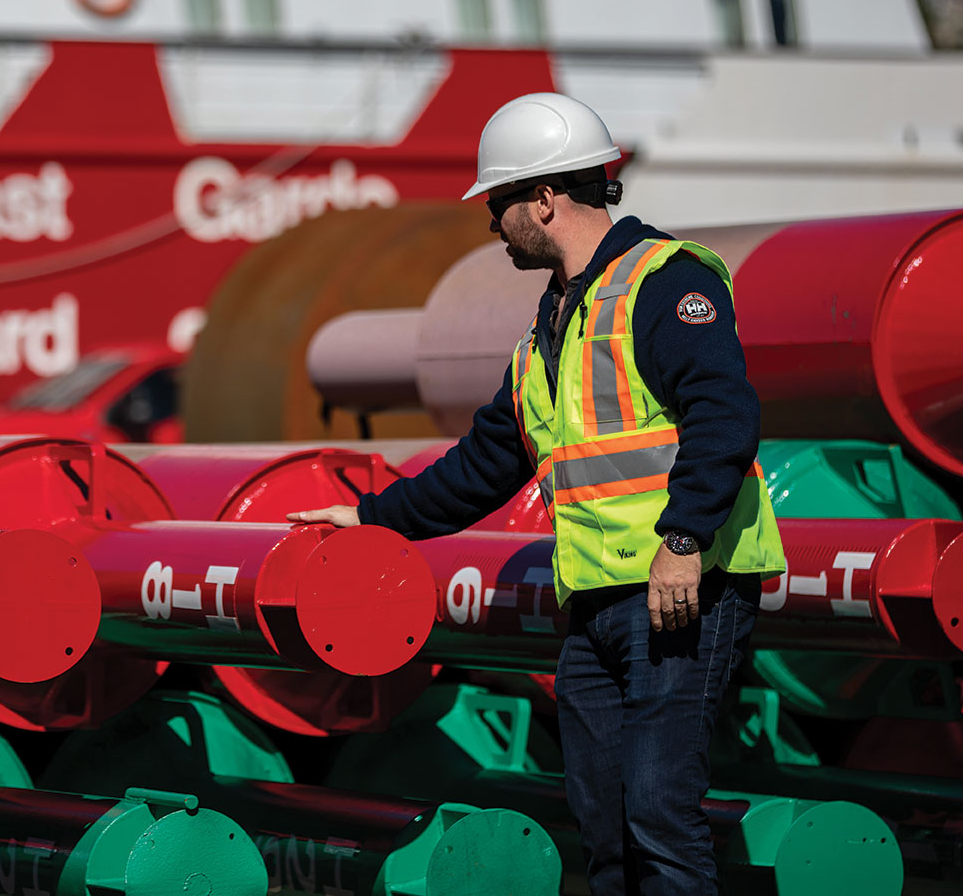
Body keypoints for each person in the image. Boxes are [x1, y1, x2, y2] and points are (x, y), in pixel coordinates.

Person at [289, 92, 786, 895]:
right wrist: (369, 517)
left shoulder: (664, 284)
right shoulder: (549, 327)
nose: (493, 222)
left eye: (499, 202)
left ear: (546, 199)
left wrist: (684, 543)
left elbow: (723, 417)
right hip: (596, 600)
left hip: (679, 591)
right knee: (602, 813)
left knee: (659, 809)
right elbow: (486, 462)